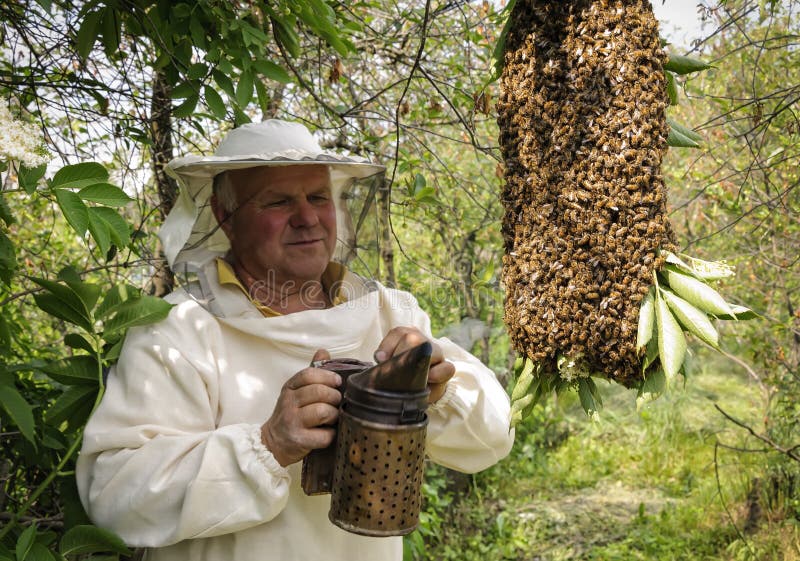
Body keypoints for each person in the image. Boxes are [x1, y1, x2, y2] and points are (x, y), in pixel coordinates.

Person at [76, 119, 514, 561]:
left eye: (318, 197)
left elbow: (492, 437)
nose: (307, 218)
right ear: (226, 217)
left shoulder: (389, 314)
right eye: (279, 201)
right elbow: (114, 495)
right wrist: (268, 443)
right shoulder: (176, 329)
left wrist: (438, 390)